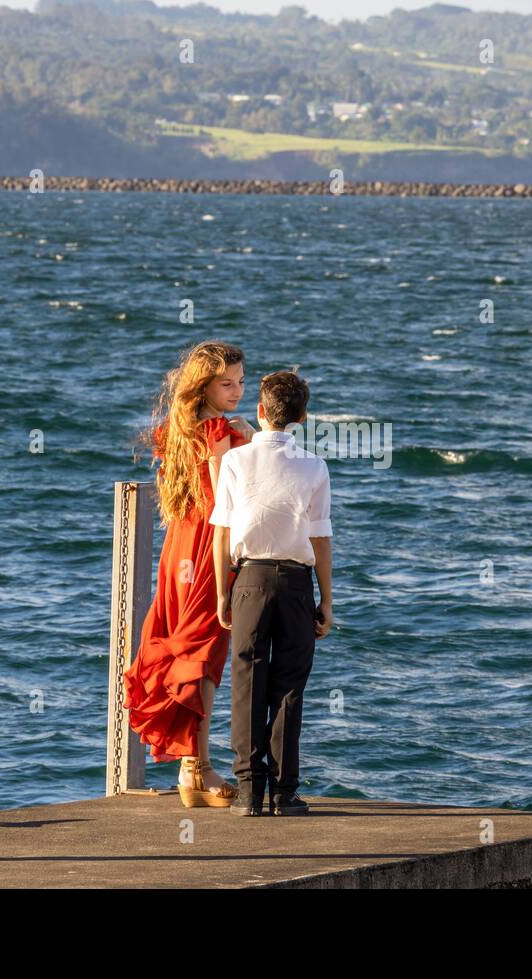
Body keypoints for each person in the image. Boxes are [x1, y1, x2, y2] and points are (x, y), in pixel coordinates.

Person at [122, 340, 255, 808]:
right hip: (207, 546)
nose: (237, 390)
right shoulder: (218, 427)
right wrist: (254, 440)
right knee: (203, 652)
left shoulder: (177, 429)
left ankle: (192, 768)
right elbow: (227, 498)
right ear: (204, 385)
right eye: (227, 383)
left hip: (179, 542)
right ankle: (197, 767)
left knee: (188, 647)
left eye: (240, 381)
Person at [209, 370, 334, 816]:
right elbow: (320, 539)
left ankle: (247, 792)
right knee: (289, 687)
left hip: (249, 579)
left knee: (247, 681)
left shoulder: (235, 462)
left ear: (260, 412)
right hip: (297, 583)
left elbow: (221, 534)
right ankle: (284, 793)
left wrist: (224, 591)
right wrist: (327, 600)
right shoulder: (315, 467)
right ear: (301, 417)